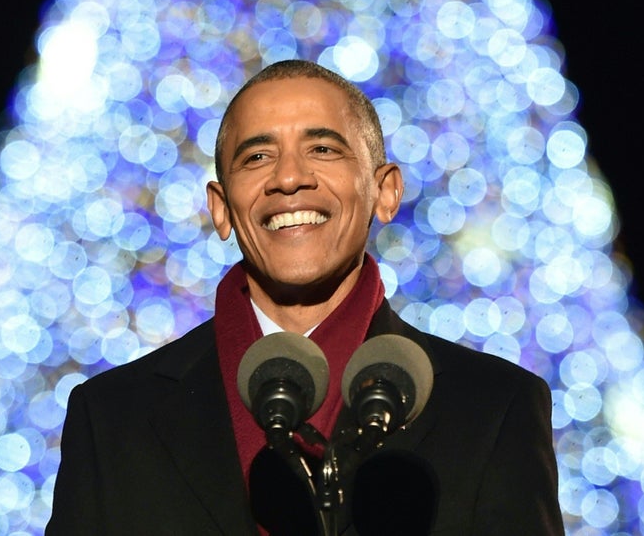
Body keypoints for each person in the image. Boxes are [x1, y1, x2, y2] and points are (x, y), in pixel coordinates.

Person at [46, 59, 564, 534]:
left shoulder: (494, 408)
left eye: (323, 149)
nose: (289, 178)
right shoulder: (113, 417)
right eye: (257, 156)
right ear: (222, 208)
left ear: (385, 191)